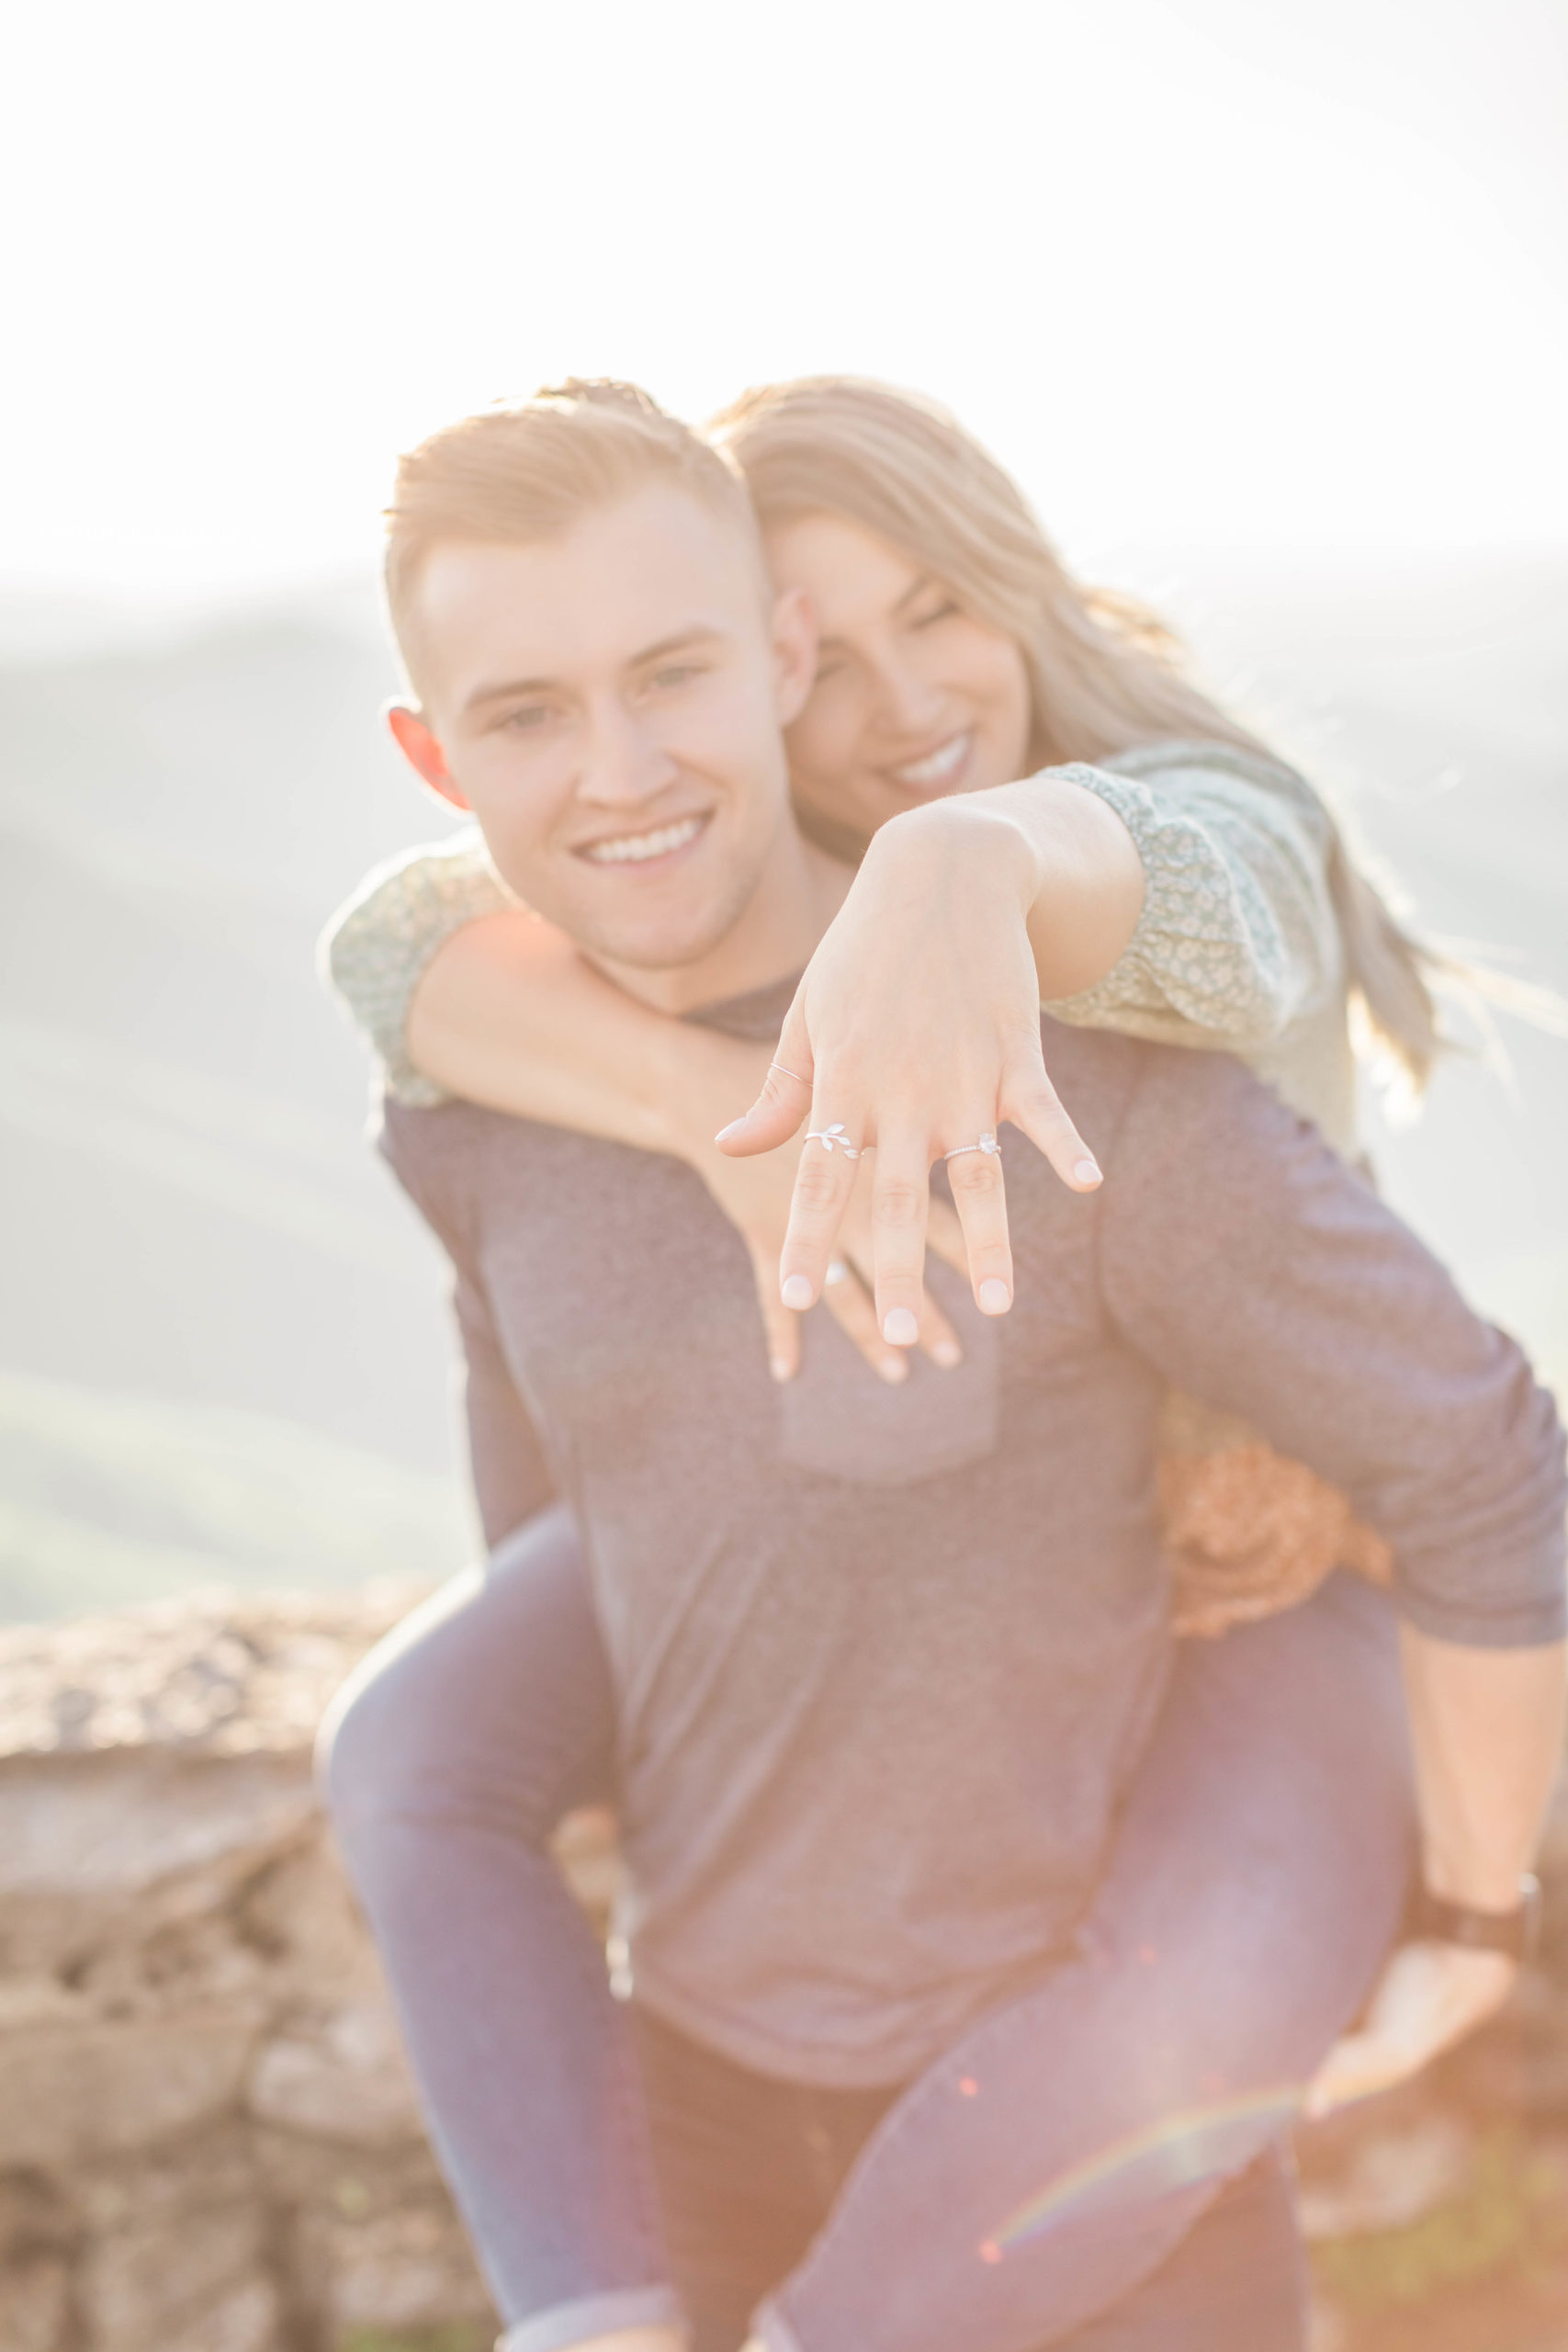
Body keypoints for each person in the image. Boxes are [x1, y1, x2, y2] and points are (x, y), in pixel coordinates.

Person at [319, 383, 1568, 2352]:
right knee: (403, 1747)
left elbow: (1481, 1455)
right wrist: (722, 1109)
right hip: (730, 2052)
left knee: (1214, 1954)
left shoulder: (1166, 872)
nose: (897, 710)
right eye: (532, 709)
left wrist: (956, 871)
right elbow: (403, 958)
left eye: (940, 615)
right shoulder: (527, 1053)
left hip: (1282, 1511)